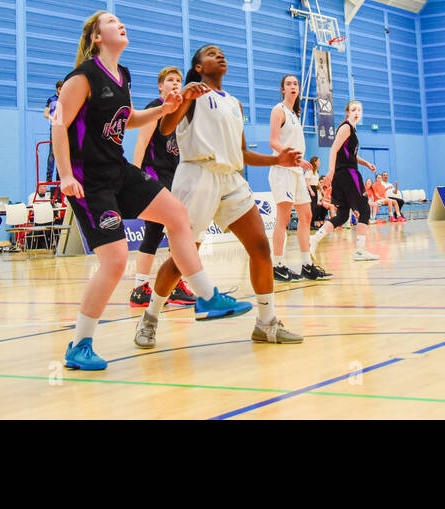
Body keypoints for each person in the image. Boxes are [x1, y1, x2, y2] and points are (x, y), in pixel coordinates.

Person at [54, 12, 247, 371]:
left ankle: (206, 297)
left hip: (118, 170)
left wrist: (164, 109)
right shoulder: (82, 77)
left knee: (178, 215)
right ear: (97, 37)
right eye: (111, 22)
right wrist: (66, 174)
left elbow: (126, 120)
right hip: (89, 181)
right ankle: (79, 345)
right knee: (113, 262)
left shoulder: (122, 75)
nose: (120, 24)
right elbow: (59, 125)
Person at [136, 44, 306, 349]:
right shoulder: (192, 94)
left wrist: (277, 160)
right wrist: (184, 98)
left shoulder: (234, 103)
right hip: (196, 176)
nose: (220, 56)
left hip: (230, 179)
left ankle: (266, 324)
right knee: (181, 260)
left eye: (221, 53)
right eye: (212, 53)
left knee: (260, 247)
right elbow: (165, 129)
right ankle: (149, 318)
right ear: (199, 66)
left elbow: (241, 154)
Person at [128, 66, 196, 308]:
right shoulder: (154, 108)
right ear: (161, 86)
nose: (175, 83)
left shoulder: (181, 111)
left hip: (175, 176)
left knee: (180, 230)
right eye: (170, 80)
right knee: (155, 231)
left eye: (178, 80)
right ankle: (139, 287)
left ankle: (175, 284)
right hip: (153, 175)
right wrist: (134, 177)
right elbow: (142, 142)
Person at [268, 73, 330, 282]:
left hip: (296, 172)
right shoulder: (279, 110)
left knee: (306, 216)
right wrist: (295, 158)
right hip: (282, 169)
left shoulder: (295, 114)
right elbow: (273, 142)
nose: (293, 86)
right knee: (284, 218)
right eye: (288, 84)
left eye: (295, 83)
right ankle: (276, 265)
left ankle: (306, 264)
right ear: (282, 89)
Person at [309, 101, 378, 261]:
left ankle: (314, 239)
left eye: (359, 109)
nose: (356, 112)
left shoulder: (352, 130)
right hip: (347, 174)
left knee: (342, 216)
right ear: (347, 112)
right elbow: (333, 149)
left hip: (343, 175)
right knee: (365, 210)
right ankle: (360, 251)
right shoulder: (346, 127)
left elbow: (351, 155)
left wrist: (366, 163)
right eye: (353, 109)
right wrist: (331, 172)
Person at [43, 80, 62, 181]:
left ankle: (59, 176)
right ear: (57, 89)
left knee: (61, 153)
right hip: (54, 128)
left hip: (63, 129)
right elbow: (45, 114)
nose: (61, 91)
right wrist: (53, 119)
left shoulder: (65, 99)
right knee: (52, 152)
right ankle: (49, 175)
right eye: (60, 89)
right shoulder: (51, 99)